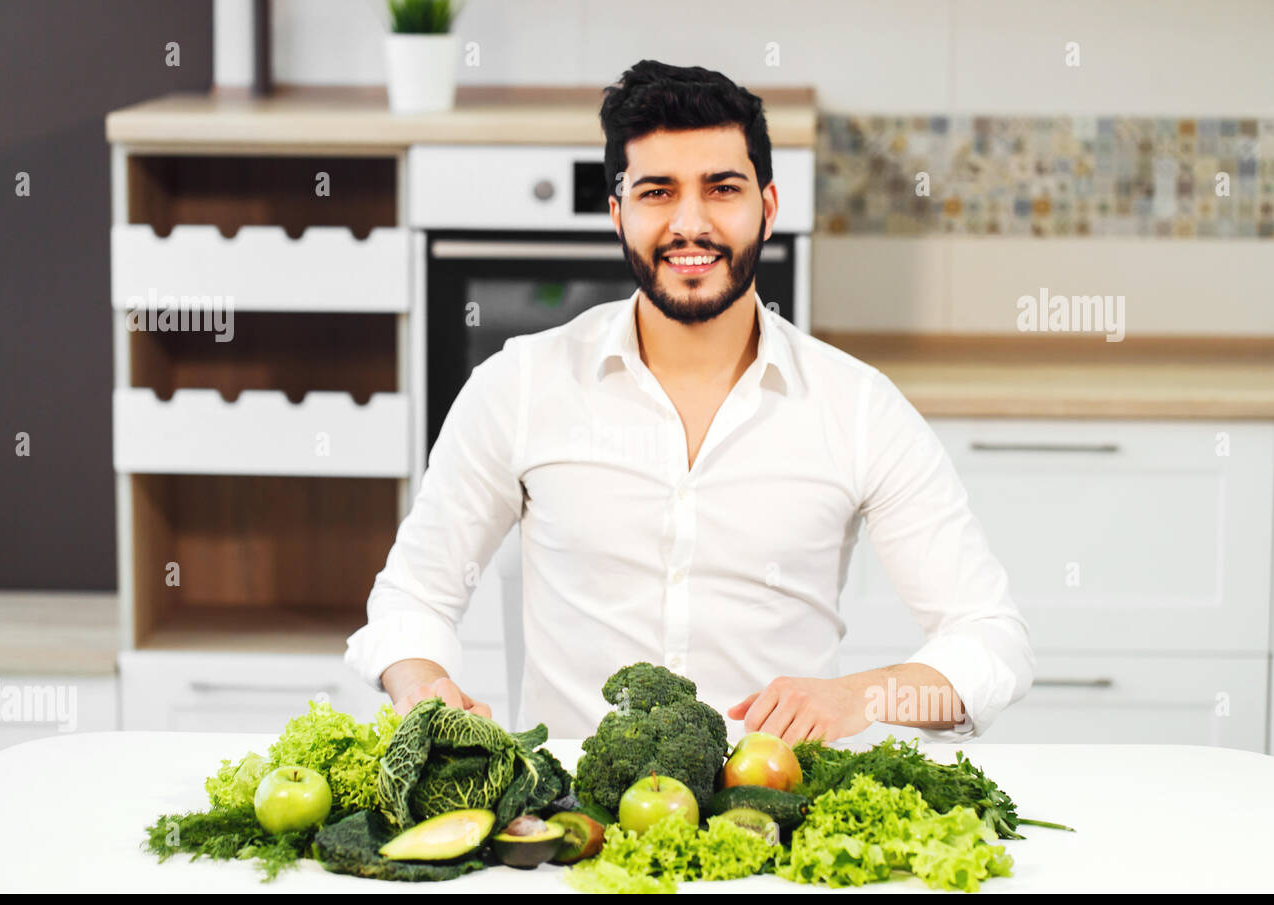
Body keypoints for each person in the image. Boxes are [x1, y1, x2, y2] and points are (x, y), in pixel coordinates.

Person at [344, 60, 1034, 746]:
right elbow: (414, 597)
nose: (690, 224)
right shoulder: (519, 385)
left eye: (721, 189)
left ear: (766, 207)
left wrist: (862, 697)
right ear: (618, 215)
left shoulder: (858, 408)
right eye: (658, 192)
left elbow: (991, 641)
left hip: (776, 822)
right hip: (572, 827)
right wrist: (423, 686)